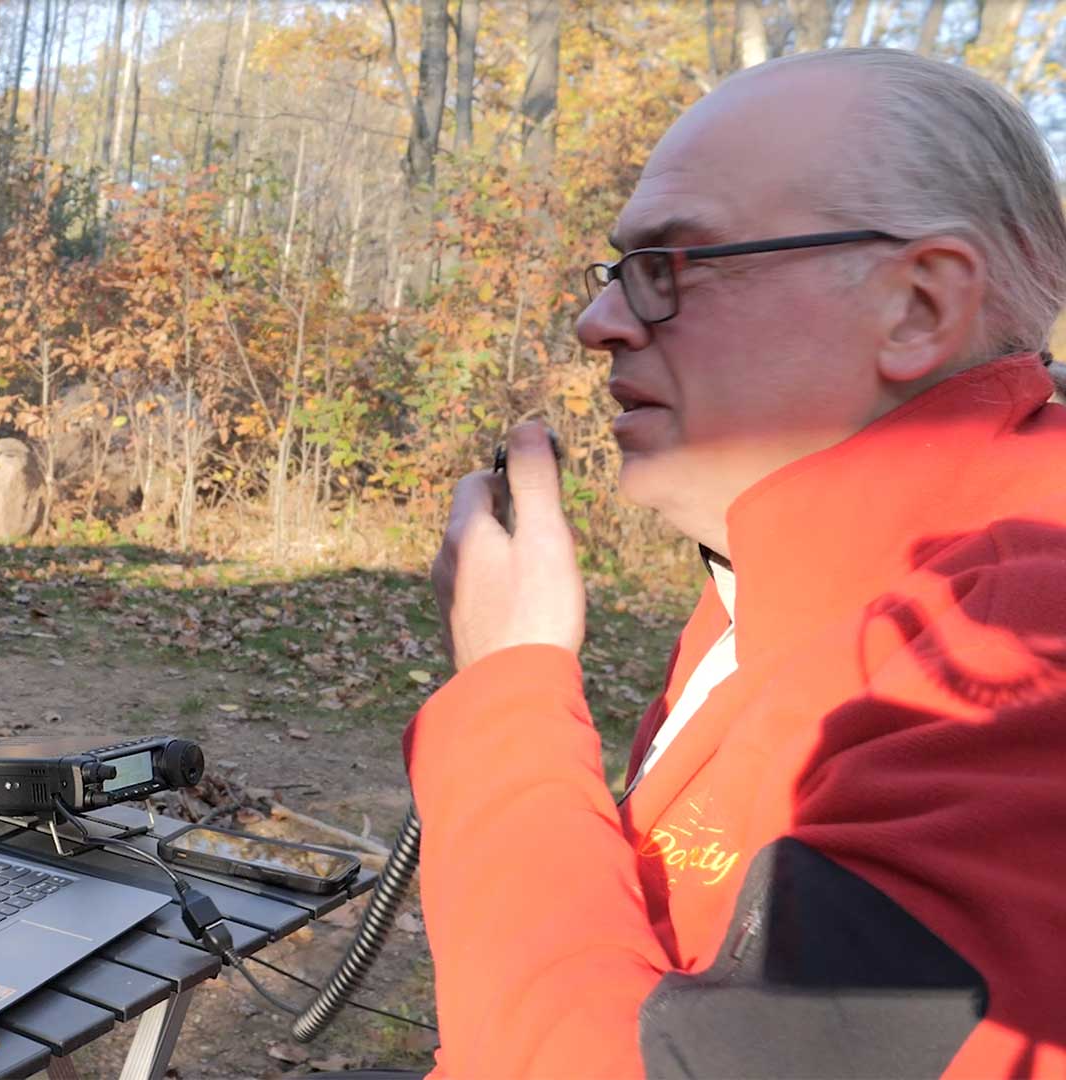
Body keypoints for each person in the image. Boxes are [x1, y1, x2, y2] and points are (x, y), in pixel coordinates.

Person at [413, 49, 1066, 1076]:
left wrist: (506, 691)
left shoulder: (1024, 645)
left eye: (670, 268)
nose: (598, 324)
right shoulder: (791, 565)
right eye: (619, 273)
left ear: (919, 308)